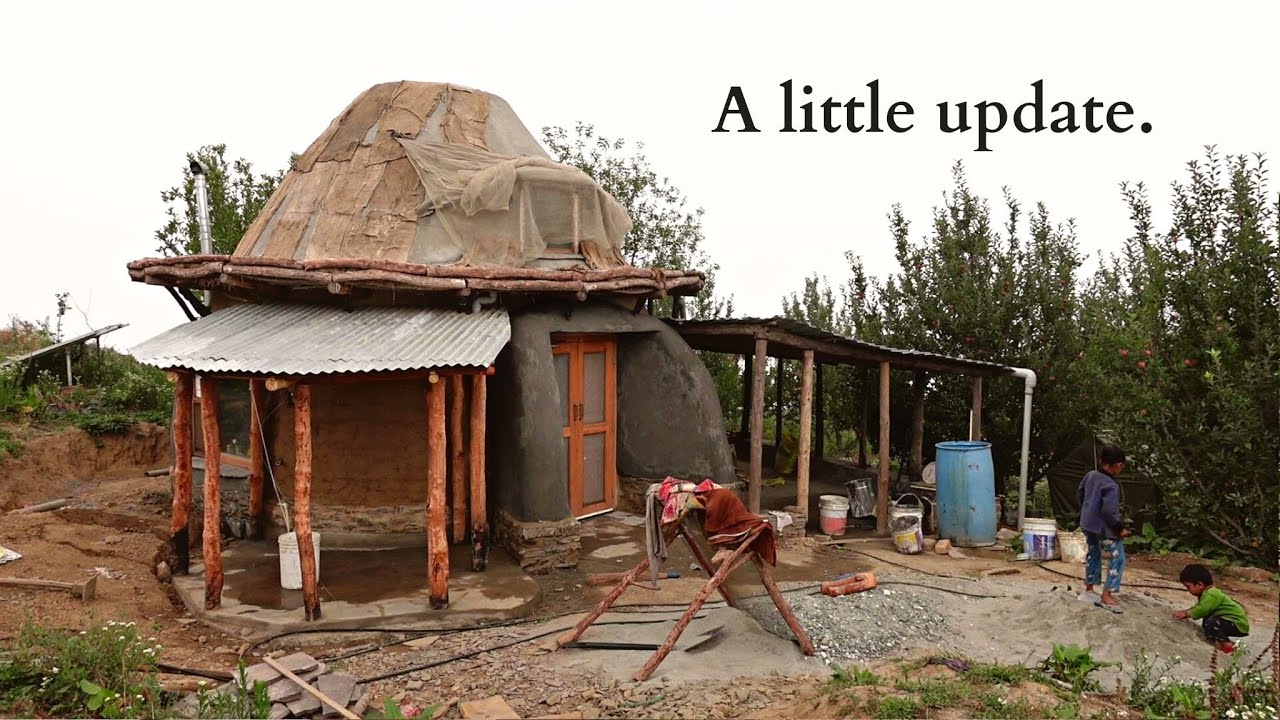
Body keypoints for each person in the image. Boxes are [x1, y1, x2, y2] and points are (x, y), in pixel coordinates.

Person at [1077, 444, 1129, 610]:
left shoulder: (1090, 475)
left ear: (1101, 460)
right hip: (1104, 529)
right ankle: (1107, 594)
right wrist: (1120, 528)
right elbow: (1109, 511)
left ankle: (1089, 588)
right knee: (1117, 556)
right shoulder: (1111, 486)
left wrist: (1086, 510)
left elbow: (1080, 494)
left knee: (1093, 552)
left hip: (1087, 524)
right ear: (1118, 465)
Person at [1173, 563, 1250, 654]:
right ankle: (1218, 639)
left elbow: (1202, 610)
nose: (1188, 590)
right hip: (1232, 621)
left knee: (1211, 622)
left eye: (1188, 587)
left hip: (1237, 624)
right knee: (1209, 621)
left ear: (1199, 585)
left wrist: (1186, 614)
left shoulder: (1211, 594)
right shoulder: (1209, 593)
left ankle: (1227, 645)